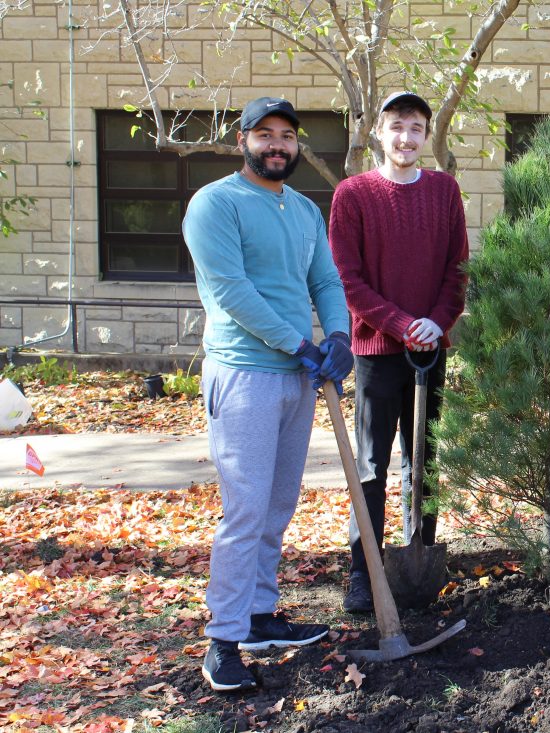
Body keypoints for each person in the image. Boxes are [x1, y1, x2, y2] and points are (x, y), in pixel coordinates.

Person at [183, 97, 354, 691]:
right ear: (242, 141)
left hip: (298, 377)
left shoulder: (305, 211)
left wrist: (337, 336)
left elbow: (326, 279)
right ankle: (223, 641)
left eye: (286, 135)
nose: (276, 144)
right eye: (264, 134)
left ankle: (258, 616)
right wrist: (298, 344)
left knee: (277, 506)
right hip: (246, 374)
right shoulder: (216, 203)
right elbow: (230, 290)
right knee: (246, 509)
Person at [328, 91, 469, 614]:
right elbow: (349, 280)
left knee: (423, 462)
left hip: (429, 351)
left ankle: (415, 562)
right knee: (371, 463)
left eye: (415, 127)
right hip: (377, 353)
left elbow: (457, 271)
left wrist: (436, 321)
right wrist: (401, 323)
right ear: (378, 134)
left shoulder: (444, 191)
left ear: (425, 135)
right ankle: (362, 572)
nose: (405, 138)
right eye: (396, 127)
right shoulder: (353, 194)